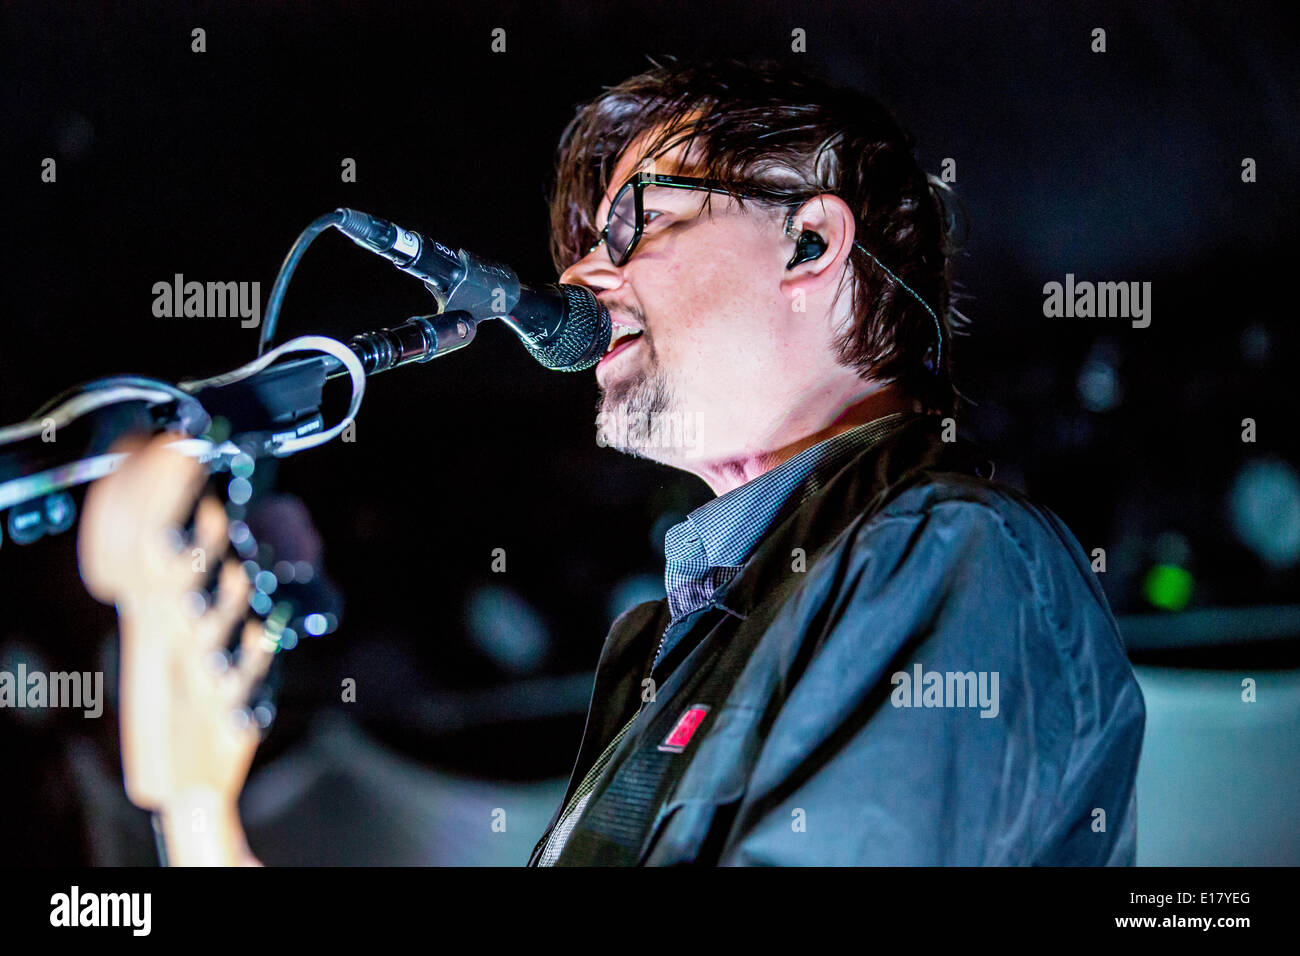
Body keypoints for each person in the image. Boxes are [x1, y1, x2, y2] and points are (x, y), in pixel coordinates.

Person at [78, 57, 1145, 866]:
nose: (585, 275)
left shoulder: (951, 552)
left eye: (639, 223)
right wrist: (194, 810)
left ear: (811, 245)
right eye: (585, 240)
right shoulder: (671, 638)